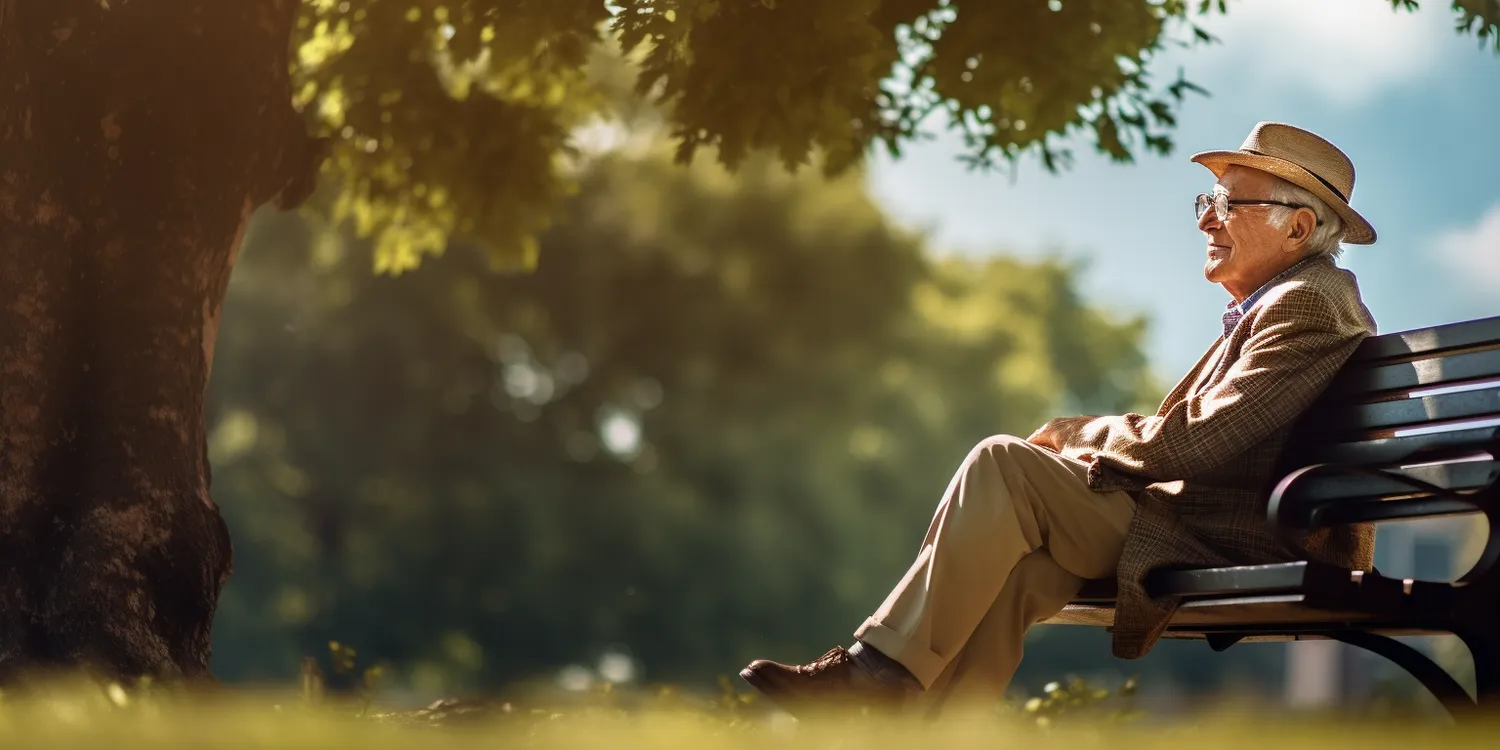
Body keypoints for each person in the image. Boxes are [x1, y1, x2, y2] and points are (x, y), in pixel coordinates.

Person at [739, 121, 1380, 715]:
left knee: (1004, 465)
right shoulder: (1289, 301)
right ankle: (935, 726)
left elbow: (1200, 439)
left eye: (1229, 204)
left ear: (1298, 228)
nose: (1207, 220)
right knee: (1021, 572)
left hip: (1244, 536)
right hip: (1207, 522)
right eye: (1205, 202)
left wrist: (1081, 435)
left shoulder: (1308, 303)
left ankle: (876, 675)